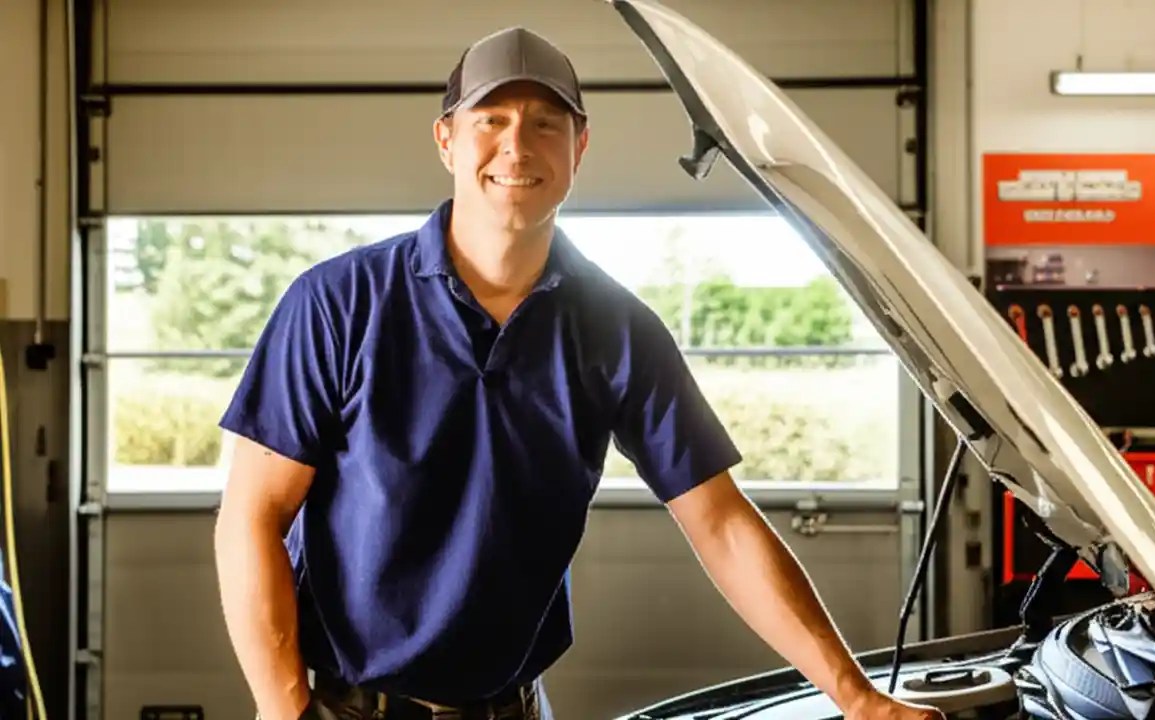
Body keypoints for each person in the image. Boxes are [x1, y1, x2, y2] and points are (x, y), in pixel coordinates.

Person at [213, 25, 944, 720]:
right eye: (491, 120)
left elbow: (721, 522)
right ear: (446, 139)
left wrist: (856, 696)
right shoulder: (339, 304)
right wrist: (282, 708)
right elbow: (253, 516)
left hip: (515, 706)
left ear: (579, 147)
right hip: (346, 705)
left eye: (545, 124)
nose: (516, 145)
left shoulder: (617, 330)